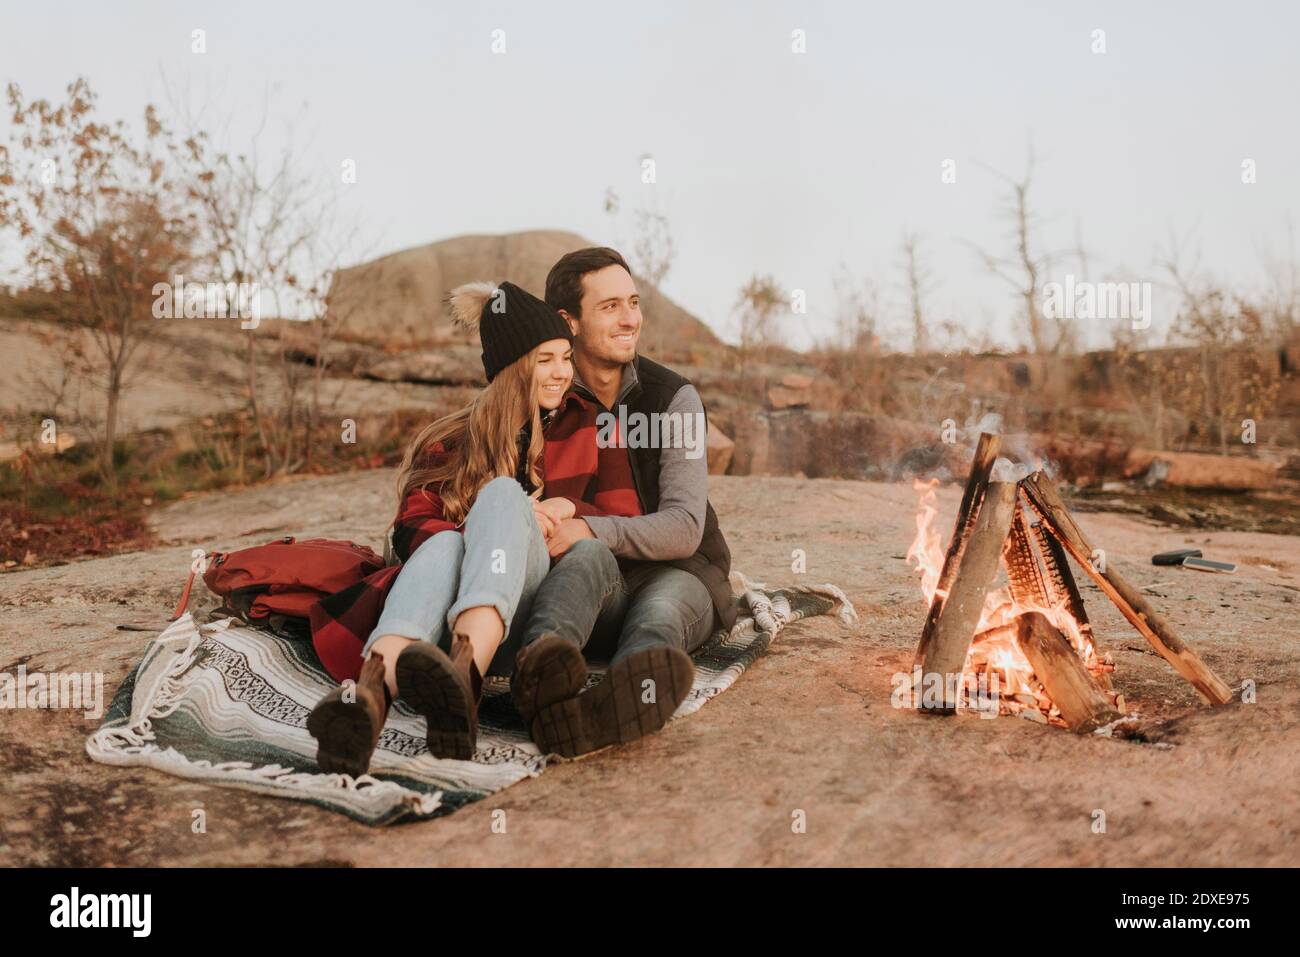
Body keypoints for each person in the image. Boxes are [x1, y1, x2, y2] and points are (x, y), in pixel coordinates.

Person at [306, 280, 577, 775]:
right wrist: (480, 532)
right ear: (514, 369)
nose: (562, 373)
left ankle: (465, 676)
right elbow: (408, 533)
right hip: (441, 617)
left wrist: (548, 513)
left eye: (566, 357)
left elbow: (598, 522)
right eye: (546, 360)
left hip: (528, 609)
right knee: (449, 538)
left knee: (500, 496)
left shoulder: (570, 432)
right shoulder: (453, 438)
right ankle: (370, 698)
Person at [506, 247, 736, 757]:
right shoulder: (542, 398)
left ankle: (623, 700)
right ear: (569, 322)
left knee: (659, 614)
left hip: (678, 569)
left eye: (633, 302)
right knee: (586, 561)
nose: (630, 318)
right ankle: (541, 679)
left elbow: (682, 528)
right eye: (610, 306)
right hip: (586, 582)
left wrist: (588, 525)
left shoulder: (672, 398)